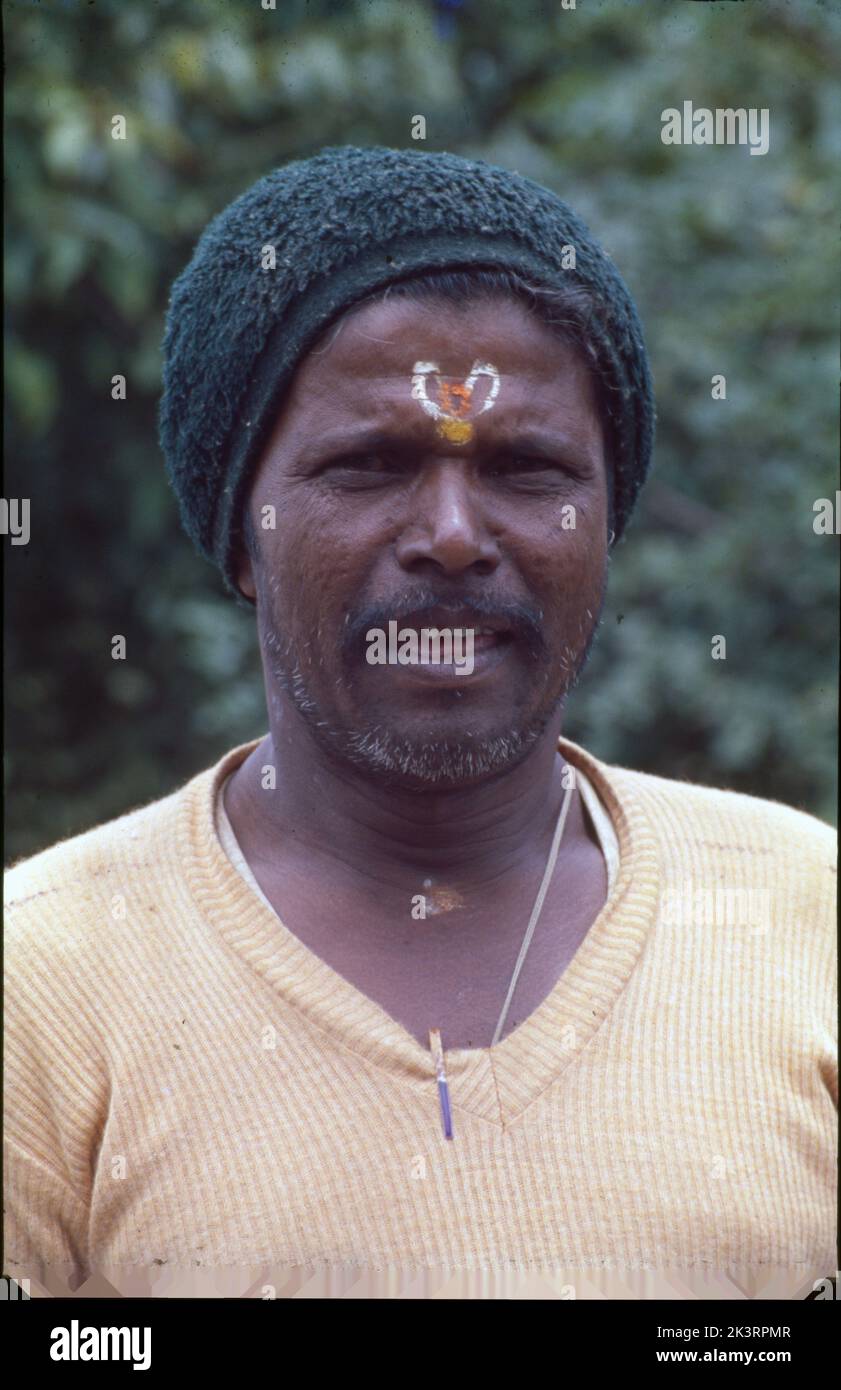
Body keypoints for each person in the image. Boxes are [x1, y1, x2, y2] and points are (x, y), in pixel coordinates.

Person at [4, 146, 835, 1299]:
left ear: (603, 526)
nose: (451, 533)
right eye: (369, 464)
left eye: (527, 466)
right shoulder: (42, 980)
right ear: (243, 532)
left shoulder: (807, 917)